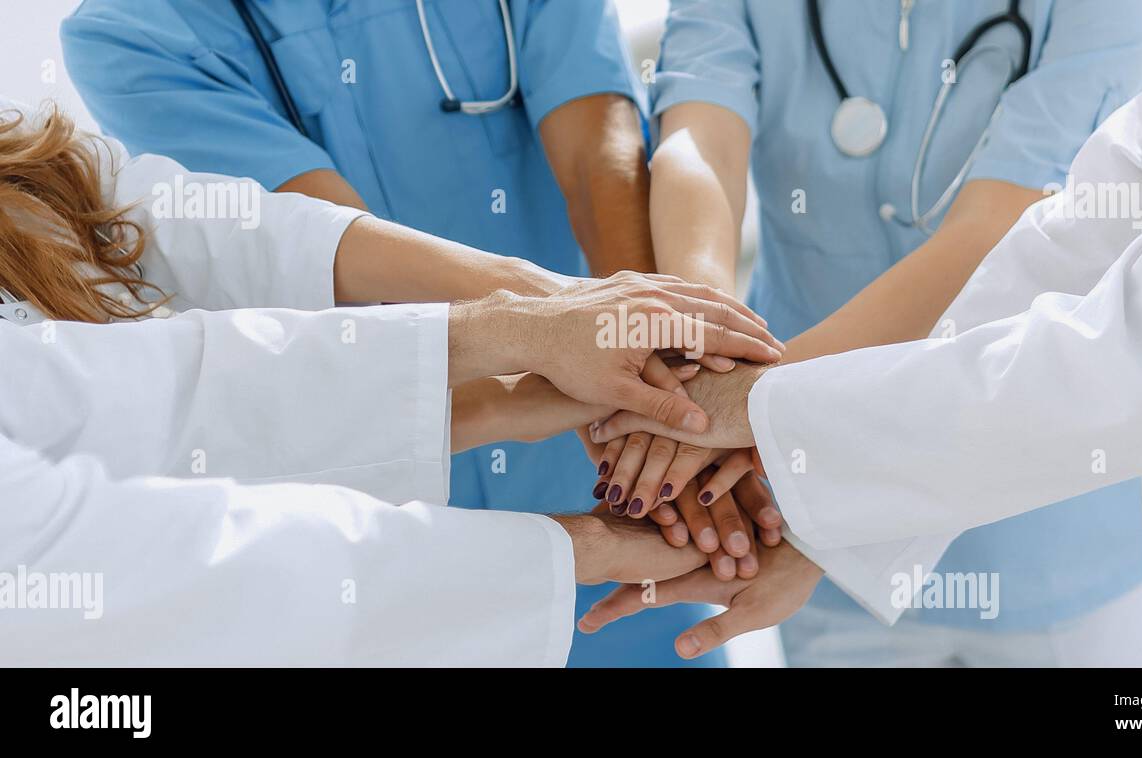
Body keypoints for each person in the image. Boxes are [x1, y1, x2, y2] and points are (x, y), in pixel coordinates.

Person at [583, 0, 1142, 667]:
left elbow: (1112, 354)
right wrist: (762, 437)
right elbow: (1064, 246)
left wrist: (755, 411)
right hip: (822, 508)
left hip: (1060, 548)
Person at [0, 100, 783, 665]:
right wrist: (577, 543)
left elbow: (212, 234)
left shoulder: (25, 161)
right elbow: (147, 539)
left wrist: (550, 310)